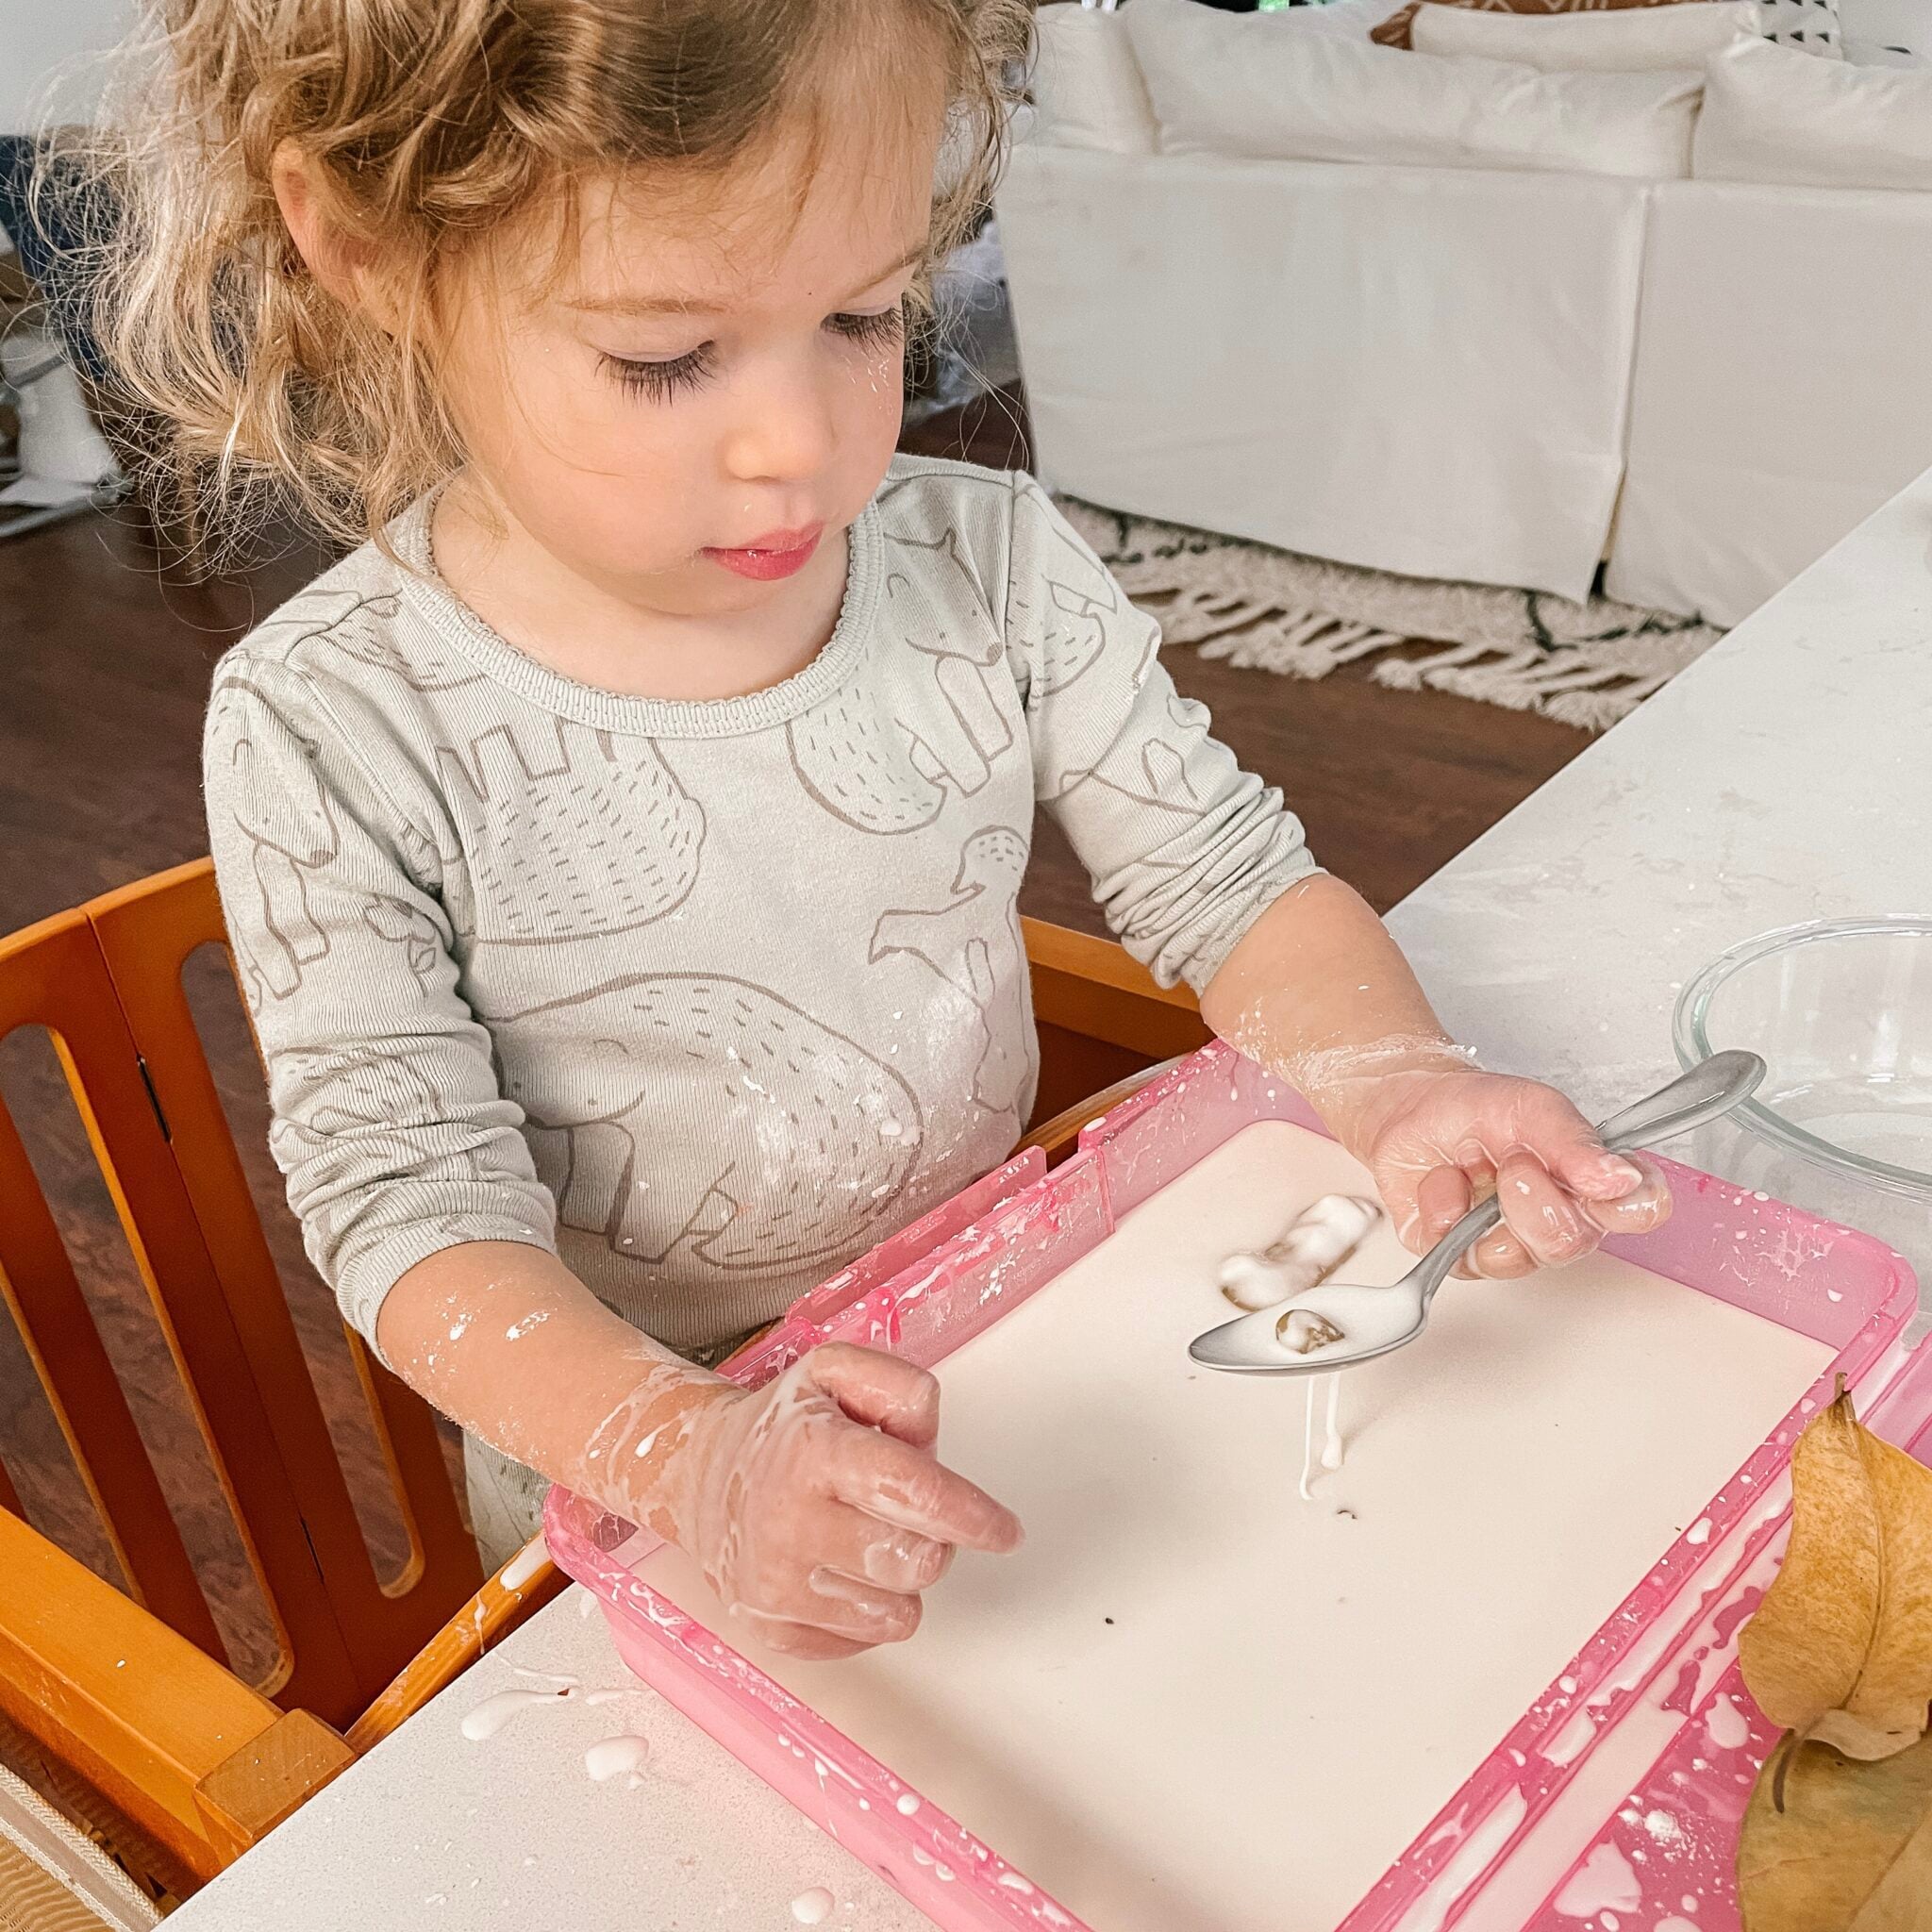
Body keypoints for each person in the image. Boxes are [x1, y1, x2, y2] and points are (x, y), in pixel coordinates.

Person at [76, 0, 1669, 1661]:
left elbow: (1228, 878)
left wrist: (1395, 1076)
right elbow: (408, 1203)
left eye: (862, 313)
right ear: (369, 247)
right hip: (652, 1468)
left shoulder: (987, 563)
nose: (804, 448)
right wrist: (688, 1458)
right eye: (664, 357)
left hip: (1009, 1342)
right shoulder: (334, 719)